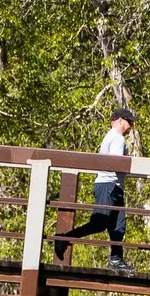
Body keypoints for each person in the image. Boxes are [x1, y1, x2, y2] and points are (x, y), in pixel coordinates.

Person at [58, 107, 136, 272]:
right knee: (99, 224)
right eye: (128, 122)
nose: (130, 126)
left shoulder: (111, 137)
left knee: (119, 225)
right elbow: (116, 163)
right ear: (120, 120)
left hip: (113, 186)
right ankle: (64, 239)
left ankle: (116, 259)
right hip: (108, 185)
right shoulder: (117, 138)